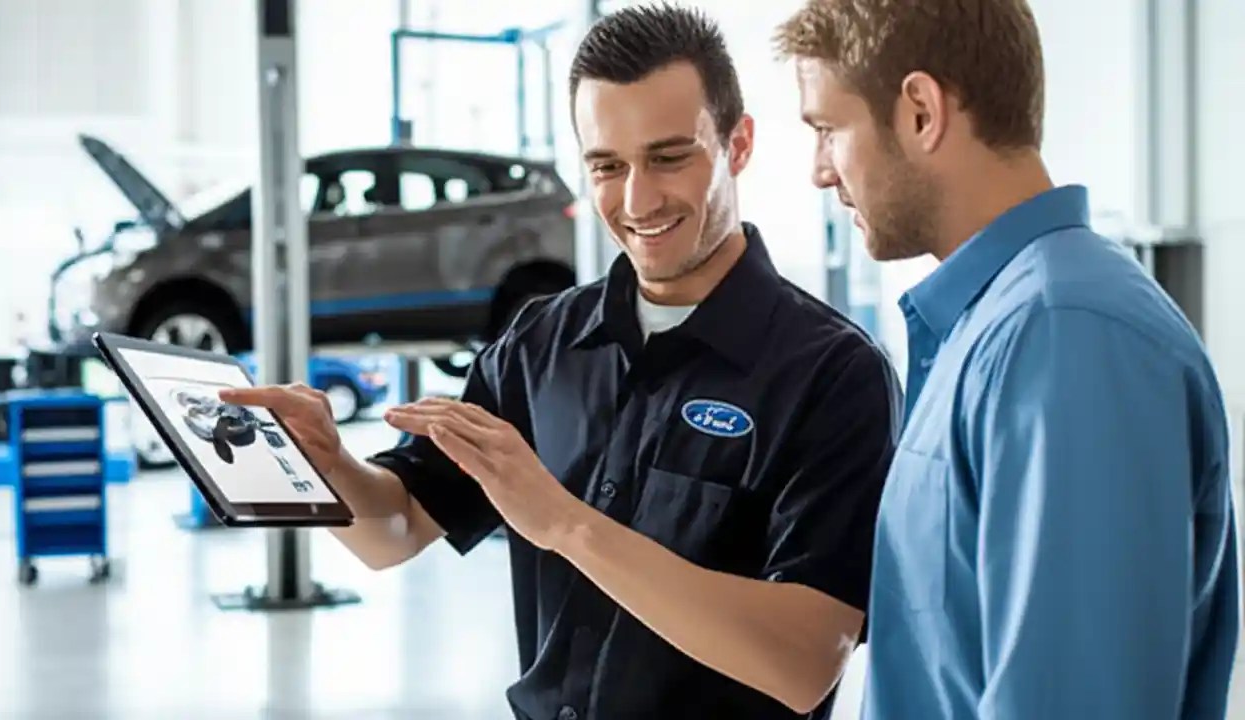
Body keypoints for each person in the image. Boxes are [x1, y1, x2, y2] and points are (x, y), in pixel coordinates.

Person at [223, 4, 901, 718]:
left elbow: (803, 663)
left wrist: (566, 524)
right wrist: (329, 468)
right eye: (607, 166)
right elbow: (391, 533)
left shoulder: (833, 375)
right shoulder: (539, 345)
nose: (637, 200)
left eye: (669, 158)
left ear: (738, 145)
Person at [774, 1, 1240, 718]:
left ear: (922, 111)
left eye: (828, 130)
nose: (819, 171)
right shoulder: (997, 325)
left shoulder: (1065, 337)